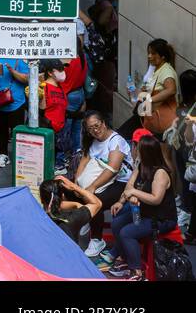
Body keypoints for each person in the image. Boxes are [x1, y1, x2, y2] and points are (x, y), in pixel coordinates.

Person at [107, 133, 178, 279]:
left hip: (161, 219)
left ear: (147, 153)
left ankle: (136, 272)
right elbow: (129, 186)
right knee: (117, 223)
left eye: (139, 149)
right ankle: (124, 258)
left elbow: (156, 199)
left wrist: (135, 193)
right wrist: (121, 202)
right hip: (144, 213)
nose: (136, 151)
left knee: (127, 232)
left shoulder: (161, 173)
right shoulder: (141, 166)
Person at [77, 111, 133, 257]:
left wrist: (92, 187)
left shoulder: (116, 141)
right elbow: (84, 161)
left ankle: (97, 240)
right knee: (72, 191)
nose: (95, 130)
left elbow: (113, 169)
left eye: (97, 125)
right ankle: (87, 217)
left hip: (122, 182)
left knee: (96, 200)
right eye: (90, 128)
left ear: (103, 122)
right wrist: (77, 183)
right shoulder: (93, 141)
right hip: (104, 181)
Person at [41, 176, 101, 251]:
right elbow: (97, 203)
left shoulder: (36, 217)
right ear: (62, 196)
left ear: (41, 198)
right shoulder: (72, 218)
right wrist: (74, 187)